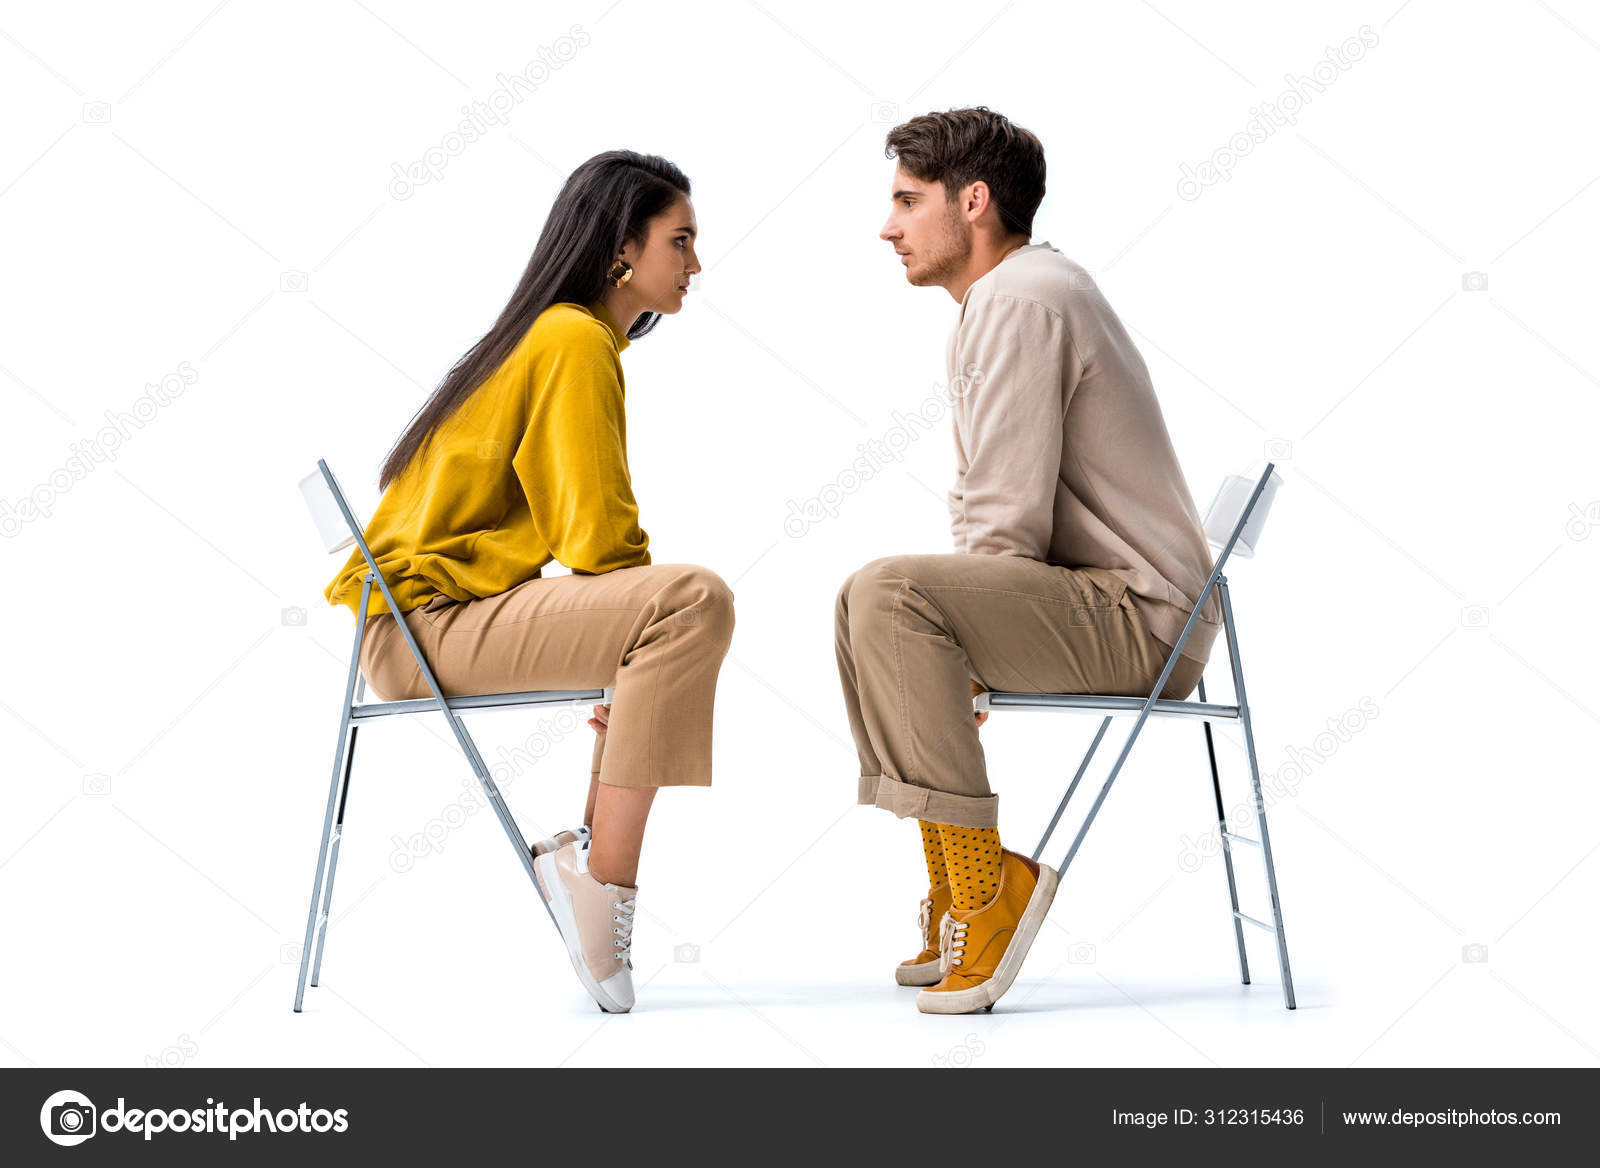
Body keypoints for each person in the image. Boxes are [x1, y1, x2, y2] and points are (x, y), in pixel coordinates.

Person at [324, 150, 733, 1014]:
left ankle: (585, 865)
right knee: (691, 599)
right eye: (681, 241)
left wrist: (629, 660)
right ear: (623, 247)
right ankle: (604, 886)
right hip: (424, 628)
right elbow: (594, 536)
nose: (696, 265)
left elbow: (590, 555)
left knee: (665, 616)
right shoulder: (572, 339)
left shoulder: (552, 332)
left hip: (418, 621)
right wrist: (629, 644)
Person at [835, 108, 1223, 1014]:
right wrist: (956, 641)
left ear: (973, 202)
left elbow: (1004, 510)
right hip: (1126, 609)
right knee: (869, 600)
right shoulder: (1013, 295)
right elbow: (994, 506)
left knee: (888, 594)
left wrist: (962, 637)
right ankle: (959, 887)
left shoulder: (1020, 298)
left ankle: (984, 889)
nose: (886, 226)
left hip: (1140, 621)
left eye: (906, 200)